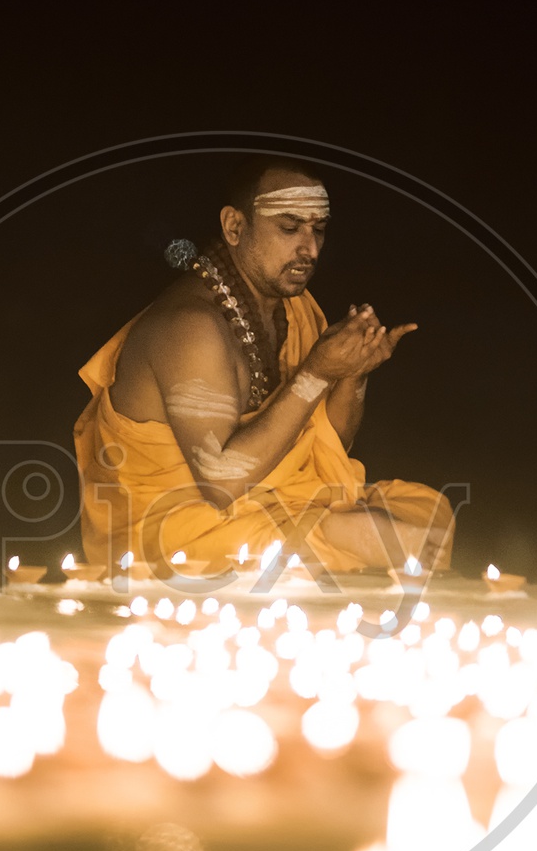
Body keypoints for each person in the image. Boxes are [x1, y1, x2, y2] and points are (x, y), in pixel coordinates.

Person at [74, 157, 454, 578]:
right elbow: (221, 485)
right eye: (289, 228)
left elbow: (330, 447)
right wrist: (317, 373)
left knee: (429, 511)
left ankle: (342, 538)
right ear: (235, 227)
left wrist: (353, 373)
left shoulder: (295, 311)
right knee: (376, 536)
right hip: (176, 531)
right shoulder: (191, 328)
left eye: (319, 230)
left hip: (268, 504)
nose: (309, 248)